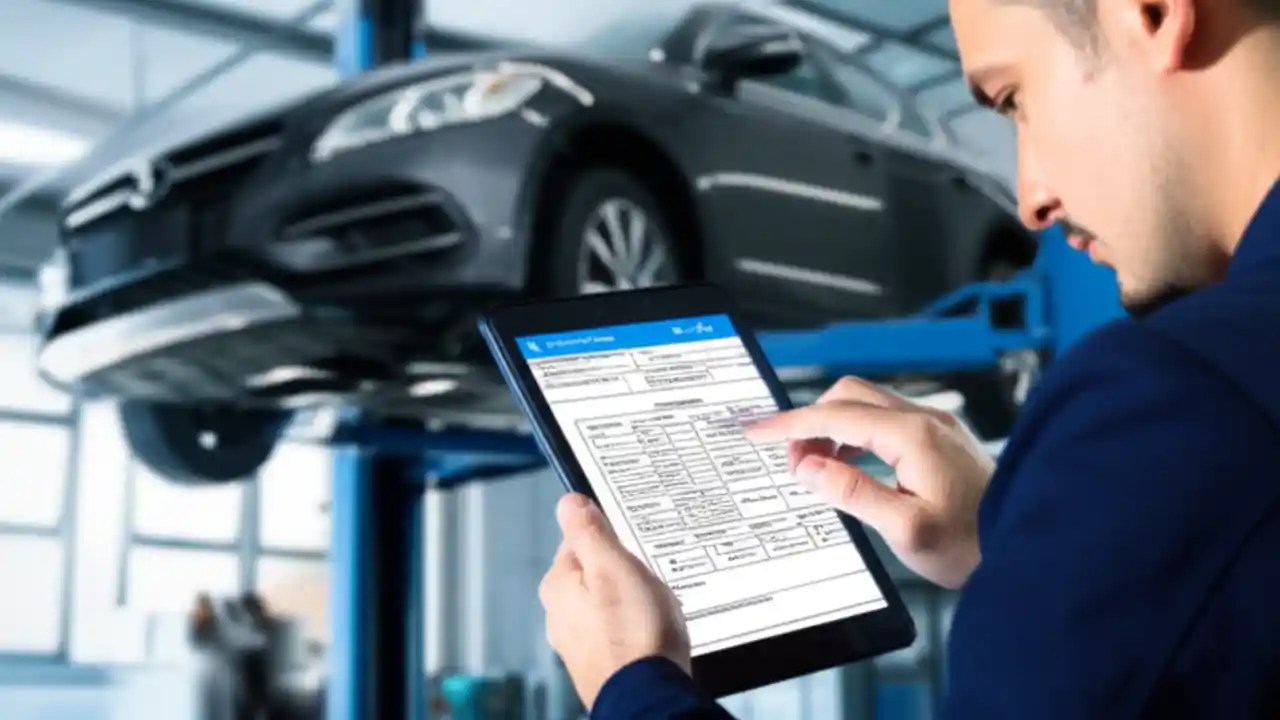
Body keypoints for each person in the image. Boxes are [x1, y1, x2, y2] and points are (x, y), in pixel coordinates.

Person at [536, 0, 1280, 716]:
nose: (1030, 201)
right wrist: (1029, 551)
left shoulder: (1170, 399)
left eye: (1013, 98)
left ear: (1152, 12)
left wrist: (633, 684)